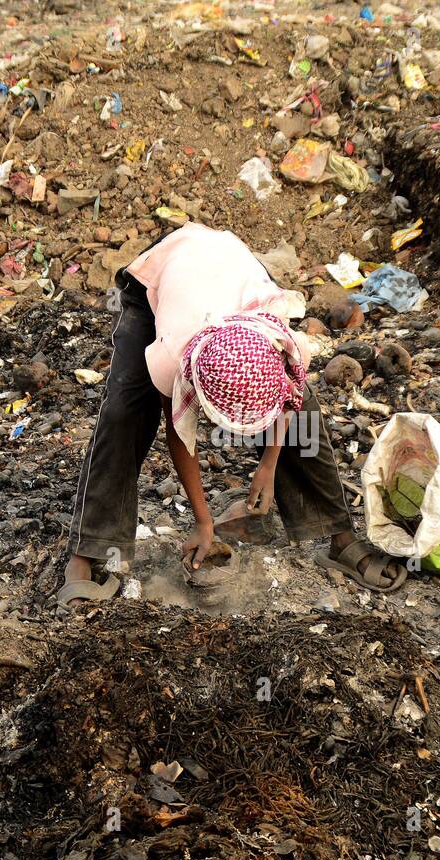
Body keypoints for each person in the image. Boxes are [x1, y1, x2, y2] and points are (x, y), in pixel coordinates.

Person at [56, 222, 406, 609]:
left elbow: (288, 400)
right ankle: (89, 550)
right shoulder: (173, 357)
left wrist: (269, 466)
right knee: (125, 410)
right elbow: (179, 430)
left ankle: (339, 535)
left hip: (233, 271)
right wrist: (203, 521)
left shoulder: (280, 338)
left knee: (304, 412)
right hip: (161, 276)